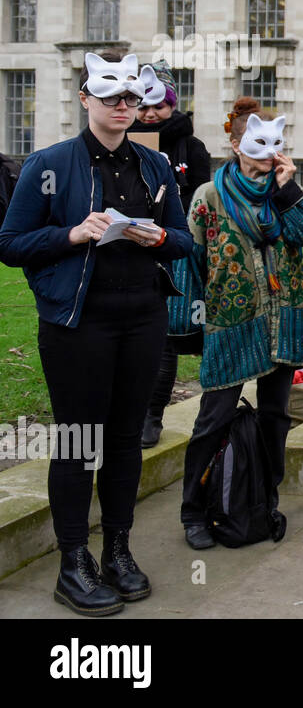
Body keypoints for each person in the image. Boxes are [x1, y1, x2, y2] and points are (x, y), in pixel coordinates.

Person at [0, 52, 193, 616]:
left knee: (125, 437)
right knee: (79, 439)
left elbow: (183, 241)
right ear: (85, 99)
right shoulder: (49, 163)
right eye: (111, 98)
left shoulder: (153, 166)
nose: (123, 107)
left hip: (143, 318)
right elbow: (10, 243)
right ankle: (72, 560)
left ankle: (117, 548)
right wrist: (73, 235)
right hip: (77, 322)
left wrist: (157, 239)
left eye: (132, 99)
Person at [179, 98, 303, 550]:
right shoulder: (210, 195)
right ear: (234, 144)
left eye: (275, 146)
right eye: (257, 144)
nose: (267, 154)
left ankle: (264, 498)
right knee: (214, 418)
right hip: (232, 324)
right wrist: (190, 326)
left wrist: (287, 188)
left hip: (284, 321)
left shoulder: (283, 195)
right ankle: (193, 511)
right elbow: (192, 261)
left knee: (276, 418)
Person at [129, 60, 212, 448]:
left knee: (164, 336)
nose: (149, 114)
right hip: (127, 249)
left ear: (173, 104)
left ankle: (152, 415)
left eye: (158, 106)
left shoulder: (191, 147)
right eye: (142, 106)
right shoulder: (122, 141)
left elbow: (199, 198)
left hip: (173, 250)